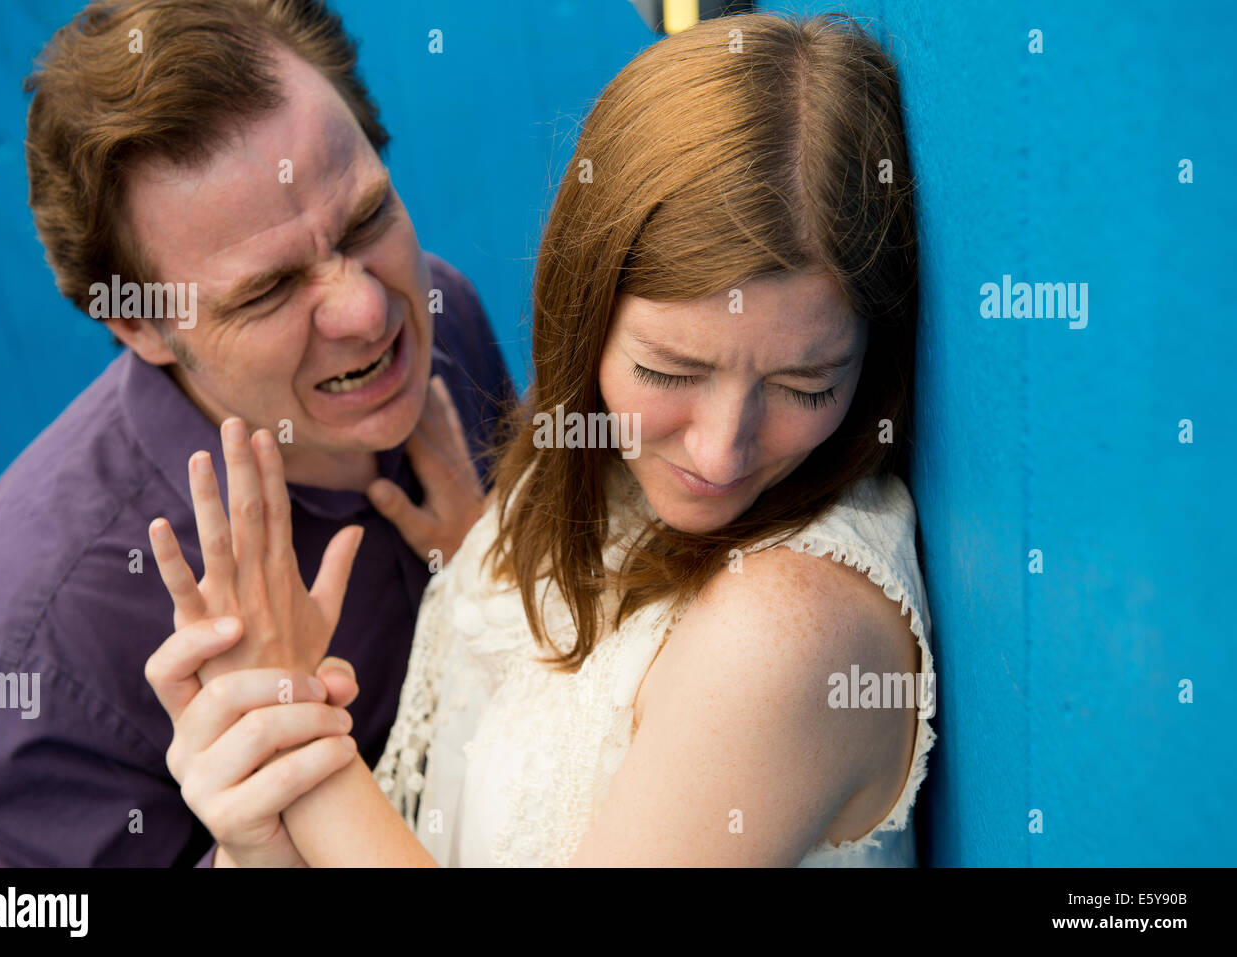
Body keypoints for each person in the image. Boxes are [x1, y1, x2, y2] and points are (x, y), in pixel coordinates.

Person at [144, 10, 936, 867]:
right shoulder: (571, 479)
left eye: (804, 385)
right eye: (670, 372)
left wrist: (302, 758)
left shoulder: (789, 635)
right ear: (583, 312)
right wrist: (256, 838)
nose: (719, 453)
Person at [0, 0, 513, 866]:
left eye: (367, 220)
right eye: (269, 291)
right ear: (138, 325)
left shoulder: (445, 316)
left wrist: (494, 570)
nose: (368, 309)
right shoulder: (39, 641)